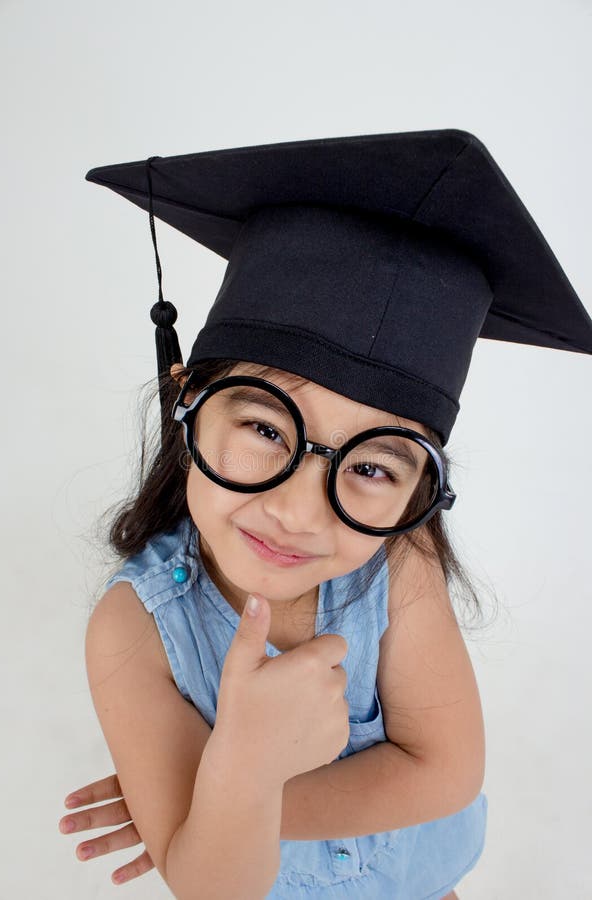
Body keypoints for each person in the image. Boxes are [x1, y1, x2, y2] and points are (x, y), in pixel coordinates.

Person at [58, 130, 592, 898]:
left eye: (372, 467)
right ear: (187, 400)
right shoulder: (134, 625)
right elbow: (210, 886)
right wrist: (233, 780)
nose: (298, 510)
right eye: (267, 429)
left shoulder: (397, 570)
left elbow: (444, 771)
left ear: (419, 493)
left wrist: (223, 799)